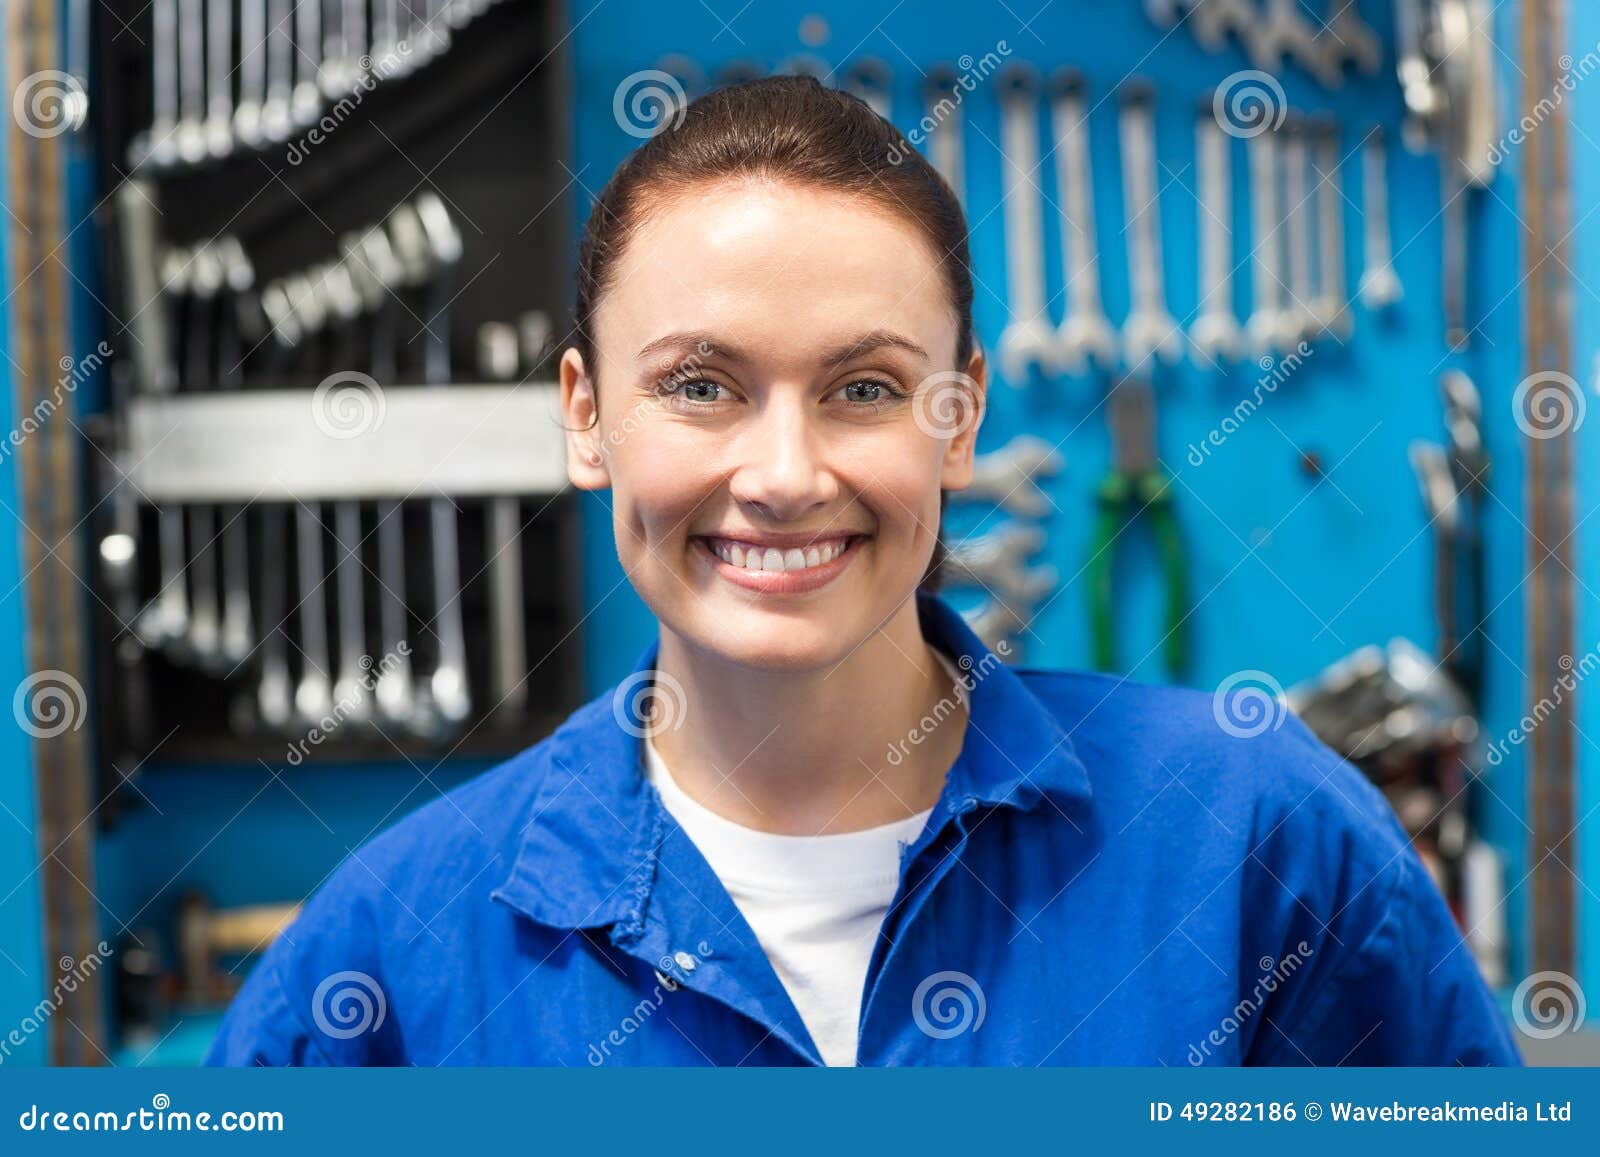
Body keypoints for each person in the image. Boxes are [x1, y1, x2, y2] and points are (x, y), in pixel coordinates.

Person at [206, 76, 1520, 1067]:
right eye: (701, 384)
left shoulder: (1254, 841)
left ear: (960, 418)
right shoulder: (393, 951)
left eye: (866, 386)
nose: (784, 473)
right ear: (587, 416)